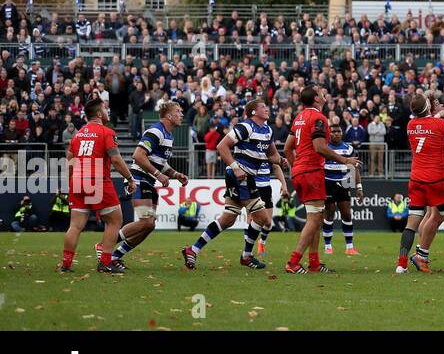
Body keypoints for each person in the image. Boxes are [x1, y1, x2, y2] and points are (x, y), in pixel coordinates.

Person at [182, 98, 289, 271]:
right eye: (263, 107)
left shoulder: (268, 130)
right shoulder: (245, 126)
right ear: (254, 112)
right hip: (240, 176)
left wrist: (281, 160)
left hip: (245, 177)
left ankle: (192, 250)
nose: (267, 109)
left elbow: (272, 155)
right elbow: (221, 146)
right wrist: (235, 167)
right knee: (262, 218)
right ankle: (246, 256)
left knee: (228, 219)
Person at [395, 86, 444, 274]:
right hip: (437, 179)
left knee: (411, 223)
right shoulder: (440, 125)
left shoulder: (410, 126)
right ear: (428, 107)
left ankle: (401, 265)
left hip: (416, 180)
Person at [283, 86, 359, 274]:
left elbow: (287, 148)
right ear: (317, 98)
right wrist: (345, 160)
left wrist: (296, 168)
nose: (324, 94)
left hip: (301, 171)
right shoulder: (318, 118)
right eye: (321, 92)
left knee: (315, 219)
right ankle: (293, 261)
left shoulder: (299, 117)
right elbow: (319, 147)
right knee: (315, 218)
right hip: (311, 171)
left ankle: (314, 263)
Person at [61, 96, 136, 273]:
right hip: (97, 180)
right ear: (98, 113)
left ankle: (66, 264)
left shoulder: (78, 135)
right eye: (105, 108)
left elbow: (69, 162)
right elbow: (116, 159)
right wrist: (130, 178)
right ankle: (105, 262)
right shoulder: (106, 132)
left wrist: (71, 185)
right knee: (115, 220)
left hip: (78, 180)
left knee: (75, 226)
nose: (107, 111)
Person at [112, 100, 189, 267]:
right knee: (146, 221)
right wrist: (159, 175)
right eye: (178, 111)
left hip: (148, 180)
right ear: (169, 115)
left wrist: (175, 174)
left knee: (149, 225)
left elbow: (160, 162)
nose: (181, 114)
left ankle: (115, 256)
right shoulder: (156, 131)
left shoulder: (169, 135)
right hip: (138, 178)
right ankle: (106, 246)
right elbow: (138, 155)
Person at [322, 120, 362, 256]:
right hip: (327, 182)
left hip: (344, 182)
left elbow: (354, 168)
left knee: (347, 214)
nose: (336, 134)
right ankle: (328, 246)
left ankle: (350, 247)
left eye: (339, 131)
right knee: (330, 213)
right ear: (329, 133)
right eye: (333, 131)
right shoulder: (324, 147)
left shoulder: (349, 148)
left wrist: (359, 187)